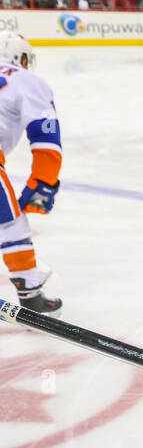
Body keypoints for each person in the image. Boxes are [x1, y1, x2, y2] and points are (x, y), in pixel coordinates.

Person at [0, 33, 63, 315]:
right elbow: (46, 137)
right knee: (11, 223)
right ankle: (30, 292)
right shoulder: (26, 80)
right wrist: (44, 181)